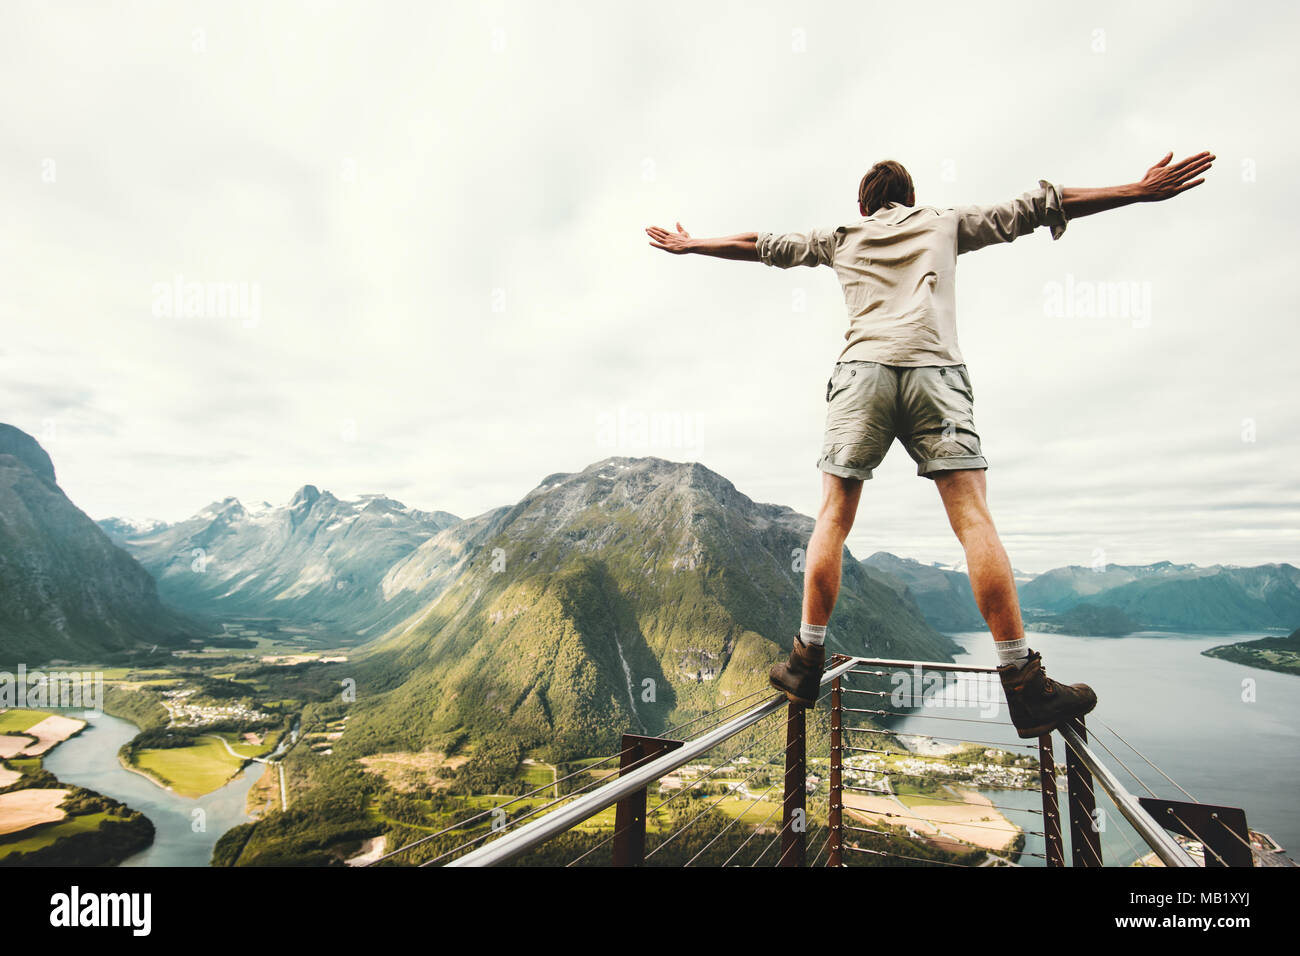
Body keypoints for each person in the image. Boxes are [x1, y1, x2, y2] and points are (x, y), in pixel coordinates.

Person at [646, 150, 1214, 737]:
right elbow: (1043, 203)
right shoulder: (943, 222)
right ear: (909, 200)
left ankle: (804, 663)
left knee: (833, 520)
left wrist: (694, 244)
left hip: (861, 374)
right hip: (934, 373)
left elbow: (761, 243)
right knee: (972, 521)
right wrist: (1135, 190)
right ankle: (1023, 684)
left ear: (863, 205)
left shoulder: (842, 234)